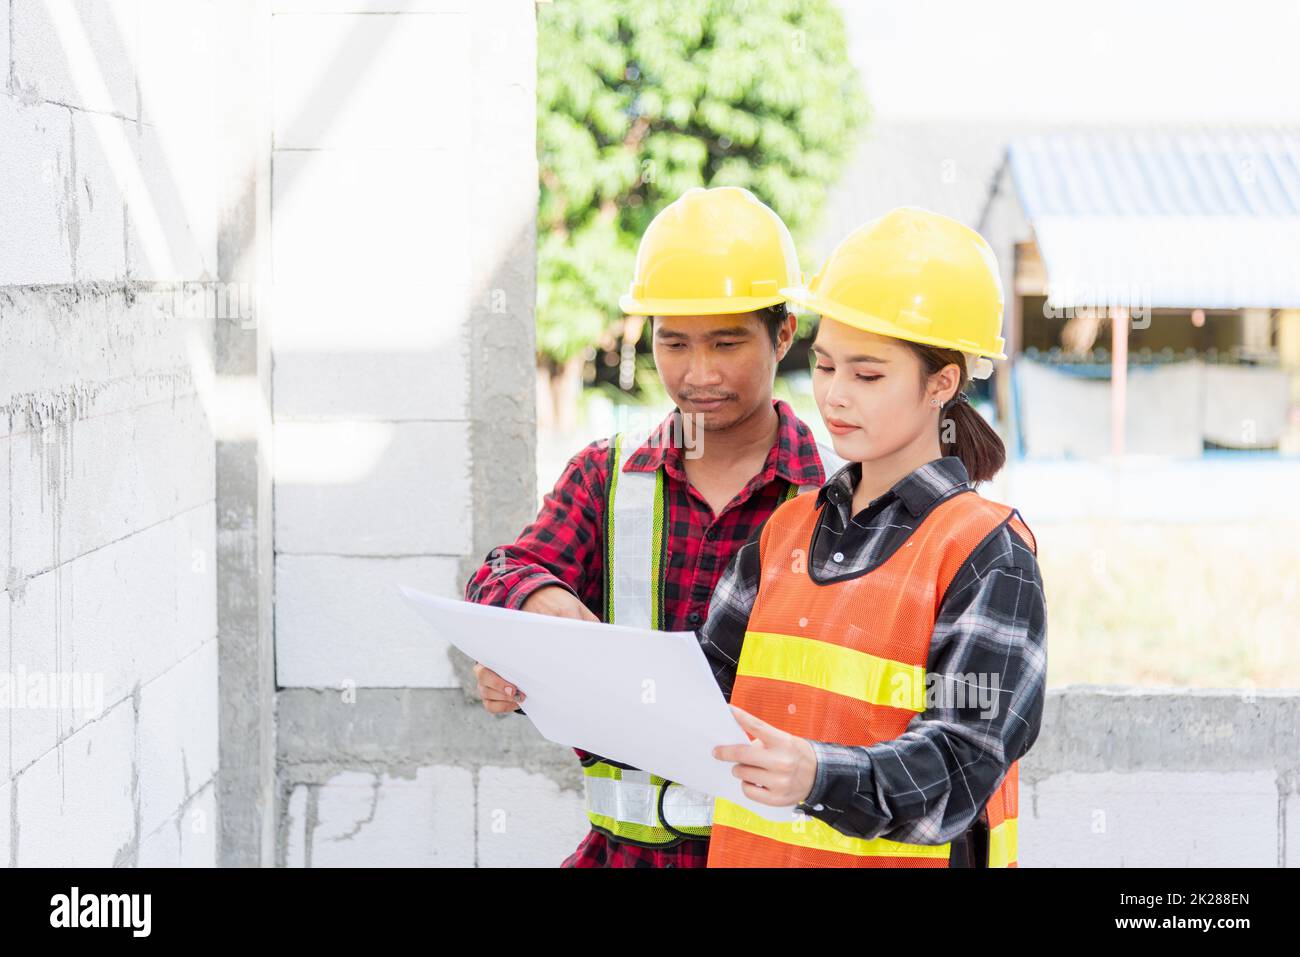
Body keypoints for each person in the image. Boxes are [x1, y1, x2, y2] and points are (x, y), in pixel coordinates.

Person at [463, 186, 843, 868]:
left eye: (726, 342)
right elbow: (499, 573)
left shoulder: (844, 499)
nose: (698, 373)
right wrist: (531, 611)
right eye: (674, 342)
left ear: (783, 334)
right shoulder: (606, 478)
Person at [697, 206, 1047, 867]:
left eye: (867, 374)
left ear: (942, 382)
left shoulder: (986, 554)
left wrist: (815, 775)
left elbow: (960, 764)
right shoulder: (784, 533)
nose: (833, 396)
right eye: (825, 366)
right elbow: (695, 701)